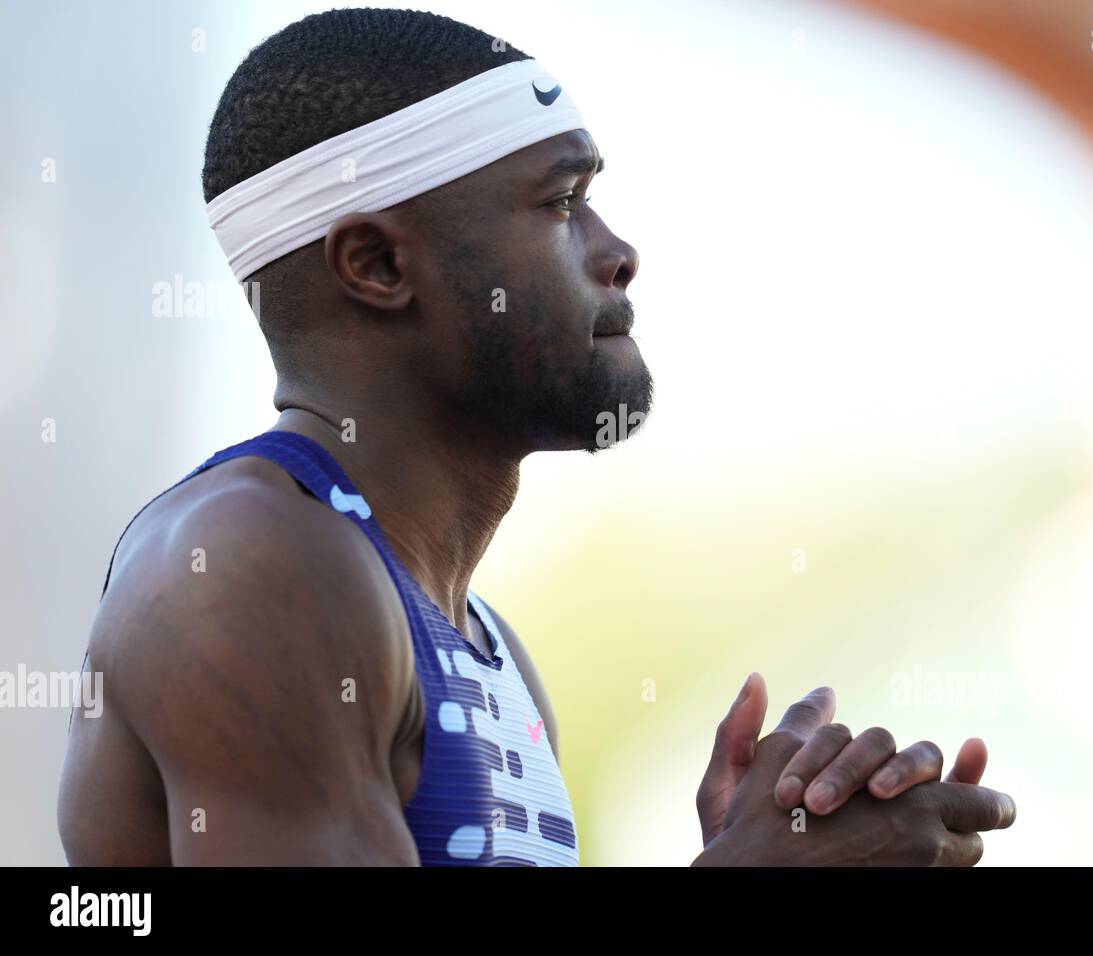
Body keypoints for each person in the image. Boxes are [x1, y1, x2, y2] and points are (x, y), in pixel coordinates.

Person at [57, 7, 1015, 866]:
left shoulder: (489, 650)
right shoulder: (246, 564)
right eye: (560, 204)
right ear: (380, 263)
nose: (616, 252)